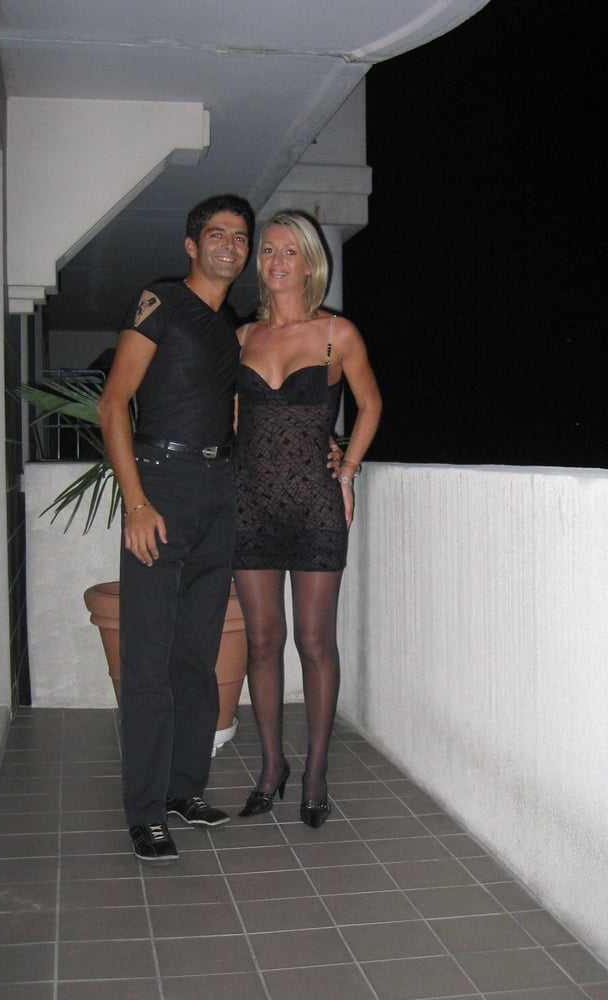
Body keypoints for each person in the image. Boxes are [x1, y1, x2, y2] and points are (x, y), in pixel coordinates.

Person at [98, 193, 255, 862]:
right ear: (192, 245)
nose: (230, 245)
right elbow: (114, 402)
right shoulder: (159, 302)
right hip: (161, 485)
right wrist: (136, 502)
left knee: (196, 652)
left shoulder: (230, 328)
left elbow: (242, 412)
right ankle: (144, 812)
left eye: (239, 237)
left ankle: (183, 790)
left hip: (218, 489)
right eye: (217, 234)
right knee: (148, 657)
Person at [233, 210, 382, 828]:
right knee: (262, 641)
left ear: (309, 264)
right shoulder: (241, 337)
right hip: (250, 504)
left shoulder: (335, 334)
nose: (276, 260)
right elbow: (235, 422)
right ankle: (273, 767)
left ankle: (316, 771)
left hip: (316, 503)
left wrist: (346, 469)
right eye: (268, 250)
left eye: (289, 251)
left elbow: (370, 404)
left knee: (314, 642)